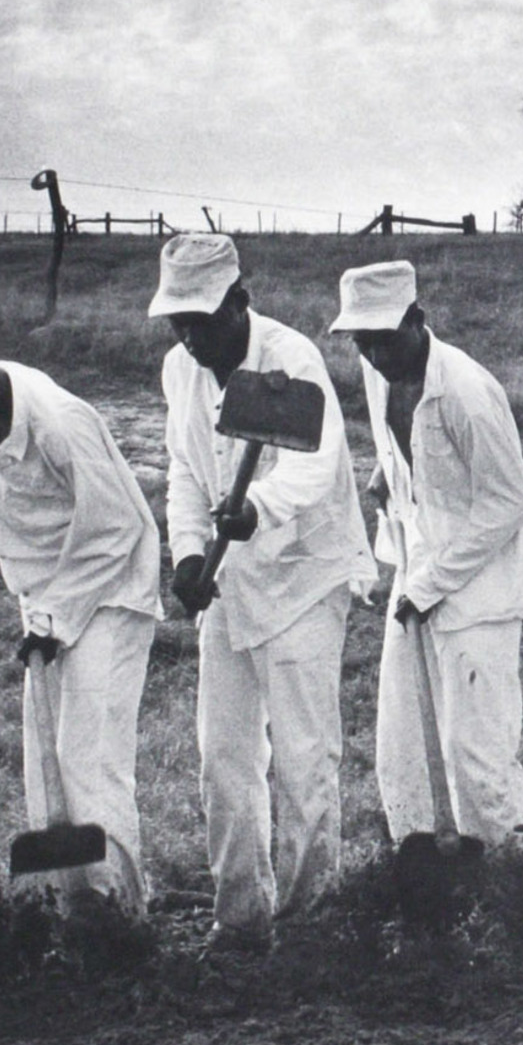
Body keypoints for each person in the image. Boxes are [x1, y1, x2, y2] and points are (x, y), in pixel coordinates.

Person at [0, 315, 164, 941]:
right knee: (46, 764)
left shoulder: (59, 421)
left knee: (89, 759)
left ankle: (120, 921)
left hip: (108, 593)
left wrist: (55, 617)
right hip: (47, 601)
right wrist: (40, 617)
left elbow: (115, 530)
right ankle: (73, 911)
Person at [153, 232, 378, 953]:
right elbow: (186, 470)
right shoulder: (178, 372)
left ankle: (312, 919)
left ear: (239, 303)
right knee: (224, 753)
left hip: (304, 574)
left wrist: (259, 507)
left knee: (306, 754)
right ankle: (241, 911)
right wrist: (189, 553)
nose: (191, 338)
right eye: (178, 323)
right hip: (229, 583)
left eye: (203, 321)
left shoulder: (290, 360)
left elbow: (319, 466)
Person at [329, 260, 523, 847]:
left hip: (480, 590)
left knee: (477, 755)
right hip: (421, 568)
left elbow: (509, 503)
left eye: (384, 340)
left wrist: (429, 584)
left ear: (417, 319)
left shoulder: (467, 393)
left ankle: (522, 882)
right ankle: (436, 873)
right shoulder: (380, 374)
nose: (374, 355)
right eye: (362, 343)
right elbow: (414, 452)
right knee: (405, 741)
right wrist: (388, 474)